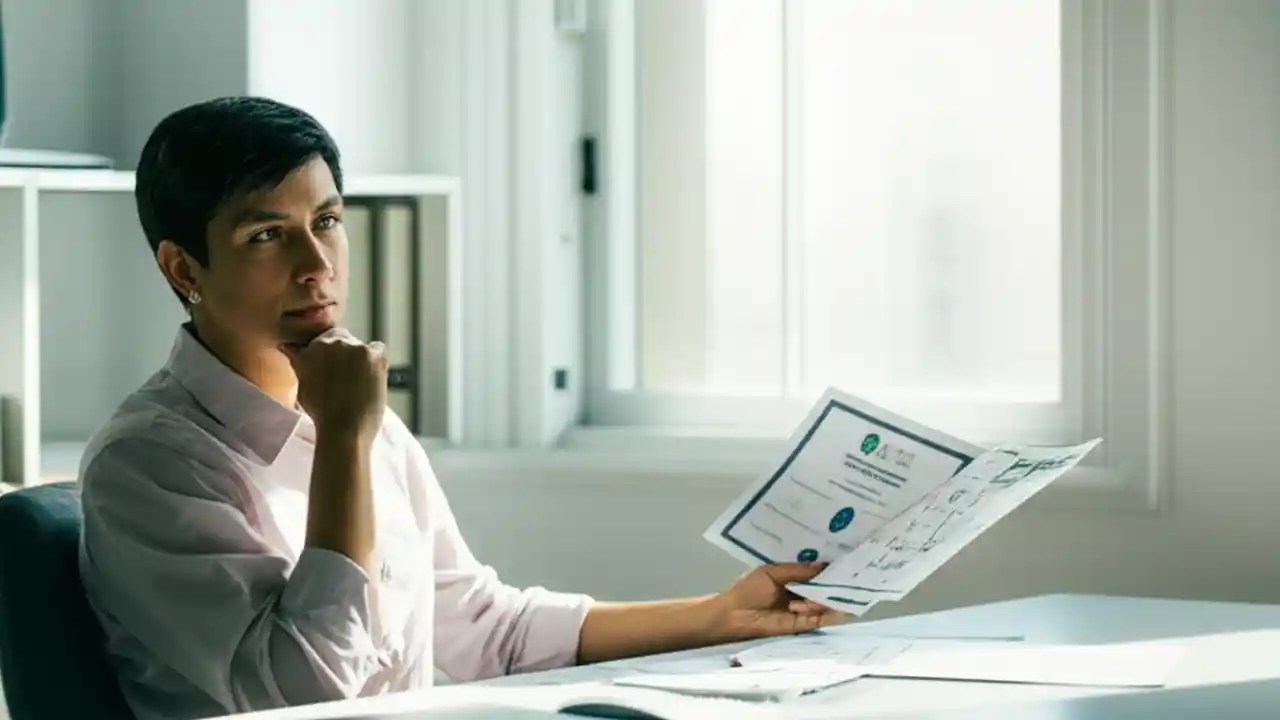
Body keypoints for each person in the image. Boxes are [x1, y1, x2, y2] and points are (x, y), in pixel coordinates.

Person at [78, 96, 839, 720]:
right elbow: (309, 695)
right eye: (268, 235)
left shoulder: (359, 415)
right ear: (184, 268)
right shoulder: (151, 462)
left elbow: (486, 629)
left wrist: (717, 616)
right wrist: (344, 439)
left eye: (329, 223)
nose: (316, 267)